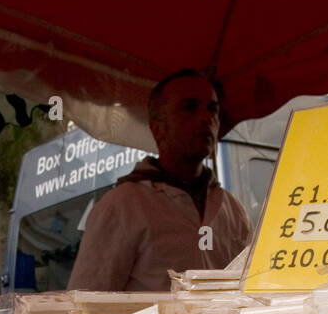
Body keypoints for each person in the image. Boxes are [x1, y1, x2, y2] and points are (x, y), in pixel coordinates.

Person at [68, 69, 253, 292]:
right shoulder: (121, 206)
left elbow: (250, 290)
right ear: (158, 129)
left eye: (212, 109)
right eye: (189, 107)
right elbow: (86, 304)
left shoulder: (233, 210)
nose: (206, 118)